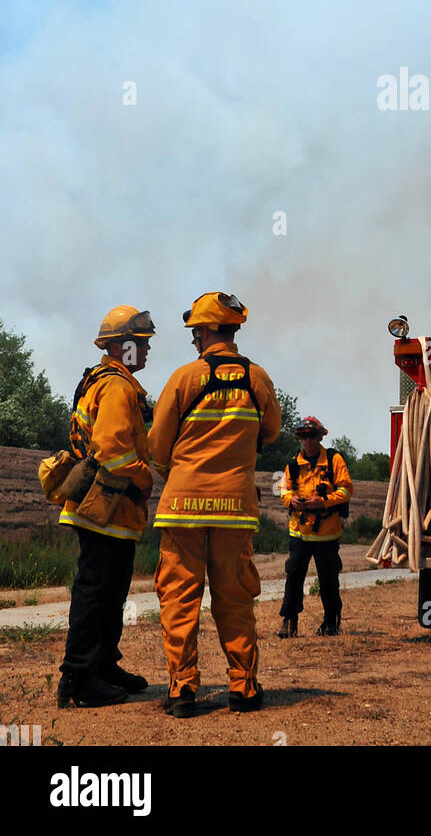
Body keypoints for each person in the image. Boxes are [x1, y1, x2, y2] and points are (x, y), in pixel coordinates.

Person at [149, 292, 280, 717]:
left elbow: (157, 445)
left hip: (183, 505)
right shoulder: (258, 379)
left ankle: (183, 690)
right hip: (235, 507)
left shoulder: (184, 378)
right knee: (235, 597)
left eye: (195, 333)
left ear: (205, 331)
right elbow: (272, 431)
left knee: (179, 597)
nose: (193, 340)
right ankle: (243, 687)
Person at [57, 306, 156, 709]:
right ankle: (79, 679)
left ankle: (101, 665)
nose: (147, 350)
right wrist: (145, 478)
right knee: (96, 591)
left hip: (107, 507)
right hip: (106, 505)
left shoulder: (104, 380)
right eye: (141, 343)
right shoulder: (116, 386)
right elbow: (113, 450)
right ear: (121, 346)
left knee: (110, 591)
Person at [278, 417, 353, 637]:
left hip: (327, 534)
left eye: (311, 436)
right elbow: (284, 490)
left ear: (320, 437)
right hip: (299, 532)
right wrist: (290, 500)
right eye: (303, 437)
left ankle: (331, 622)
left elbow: (346, 489)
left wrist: (323, 502)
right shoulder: (292, 464)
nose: (307, 441)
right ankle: (289, 621)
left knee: (329, 580)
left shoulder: (334, 460)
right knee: (293, 577)